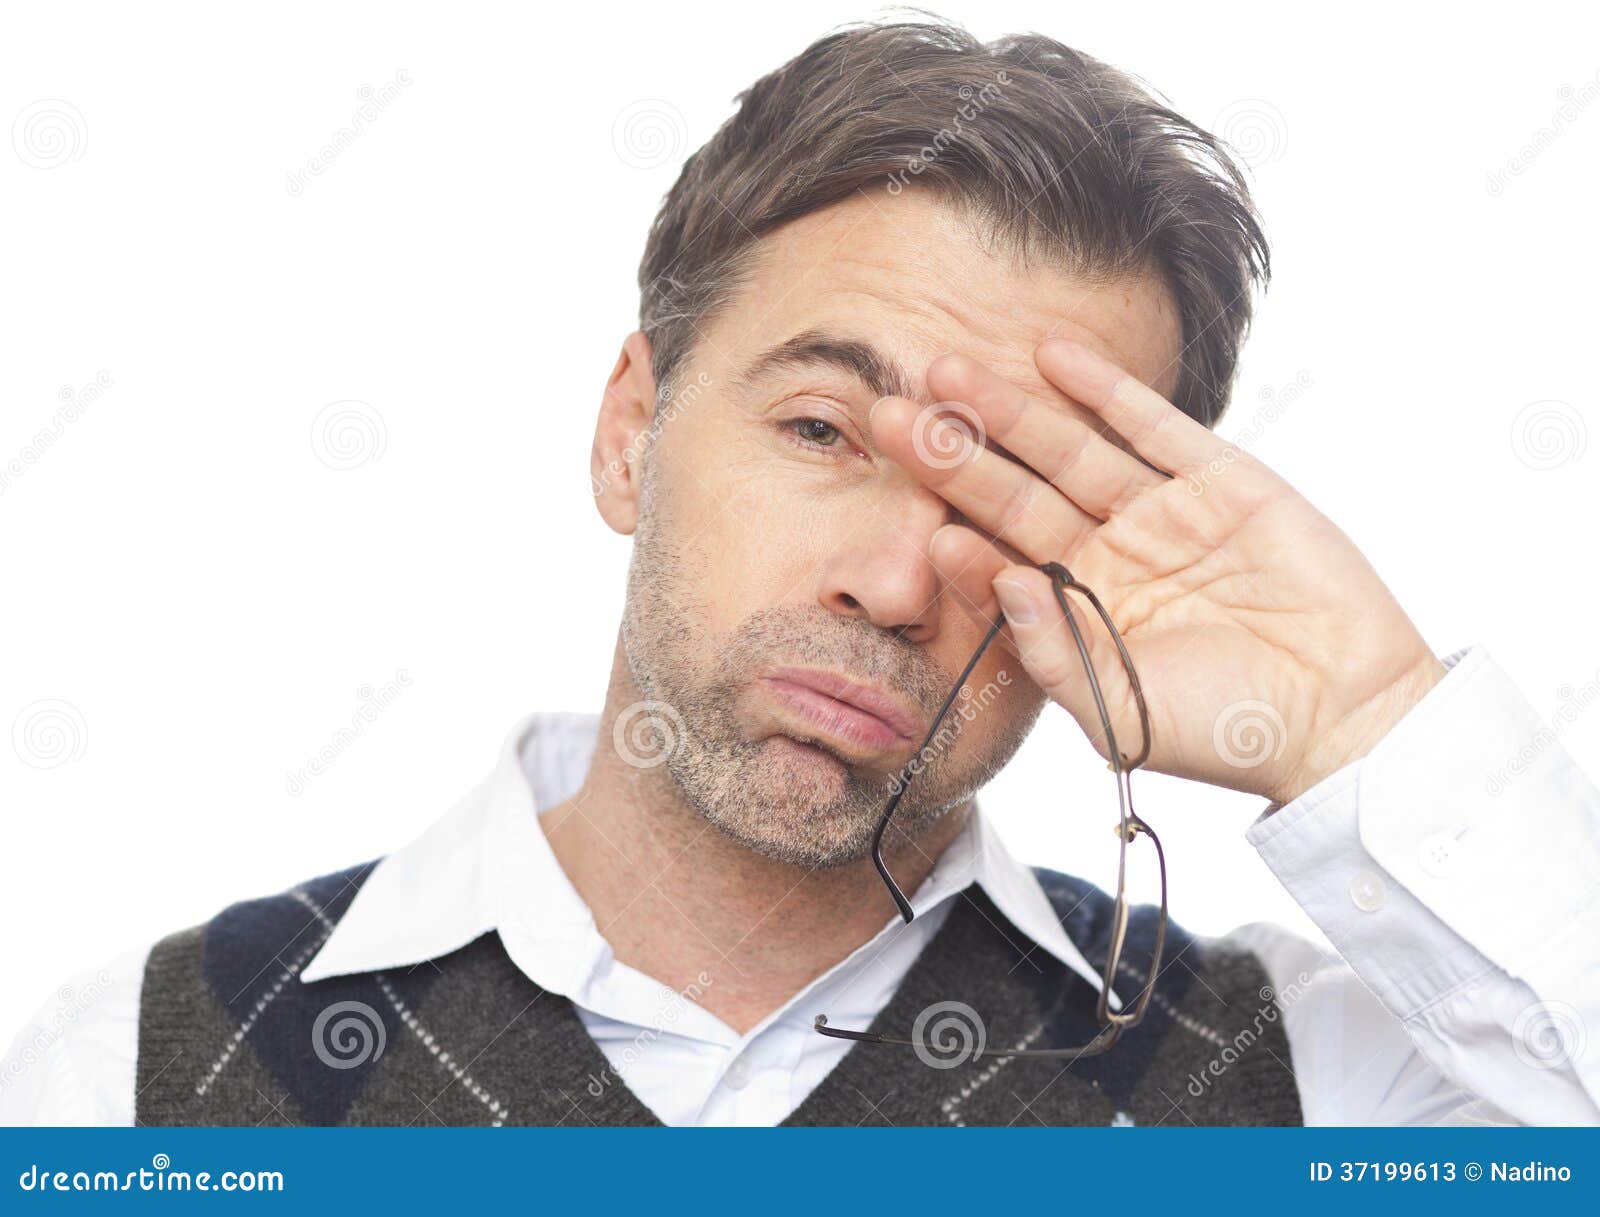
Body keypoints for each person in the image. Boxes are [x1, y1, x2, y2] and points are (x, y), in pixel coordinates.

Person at [4, 16, 1596, 1127]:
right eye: (825, 429)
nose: (896, 584)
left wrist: (1364, 721)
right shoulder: (138, 1082)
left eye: (1015, 500)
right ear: (631, 431)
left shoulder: (1309, 1085)